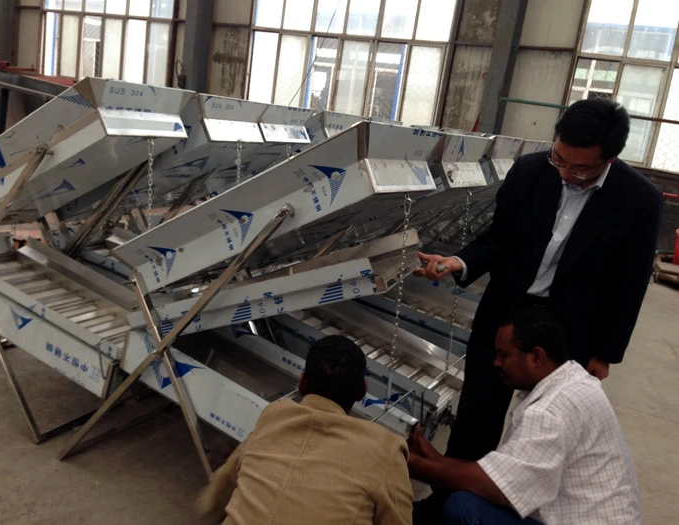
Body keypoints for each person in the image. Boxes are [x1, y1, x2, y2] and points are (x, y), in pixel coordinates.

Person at [414, 98, 663, 470]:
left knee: (547, 426)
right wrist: (457, 262)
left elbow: (630, 285)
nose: (564, 174)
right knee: (476, 413)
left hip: (570, 328)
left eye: (579, 169)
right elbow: (498, 239)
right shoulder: (530, 170)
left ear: (609, 159)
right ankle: (451, 496)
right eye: (558, 159)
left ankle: (516, 494)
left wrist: (604, 354)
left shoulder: (640, 200)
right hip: (506, 312)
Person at [408, 307, 642, 525]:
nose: (496, 362)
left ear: (537, 357)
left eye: (504, 355)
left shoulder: (550, 411)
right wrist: (433, 458)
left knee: (464, 508)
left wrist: (413, 464)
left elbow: (498, 486)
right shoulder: (571, 378)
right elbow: (502, 470)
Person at [196, 335, 414, 525]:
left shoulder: (274, 415)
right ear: (362, 392)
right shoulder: (386, 448)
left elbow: (214, 497)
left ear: (301, 383)